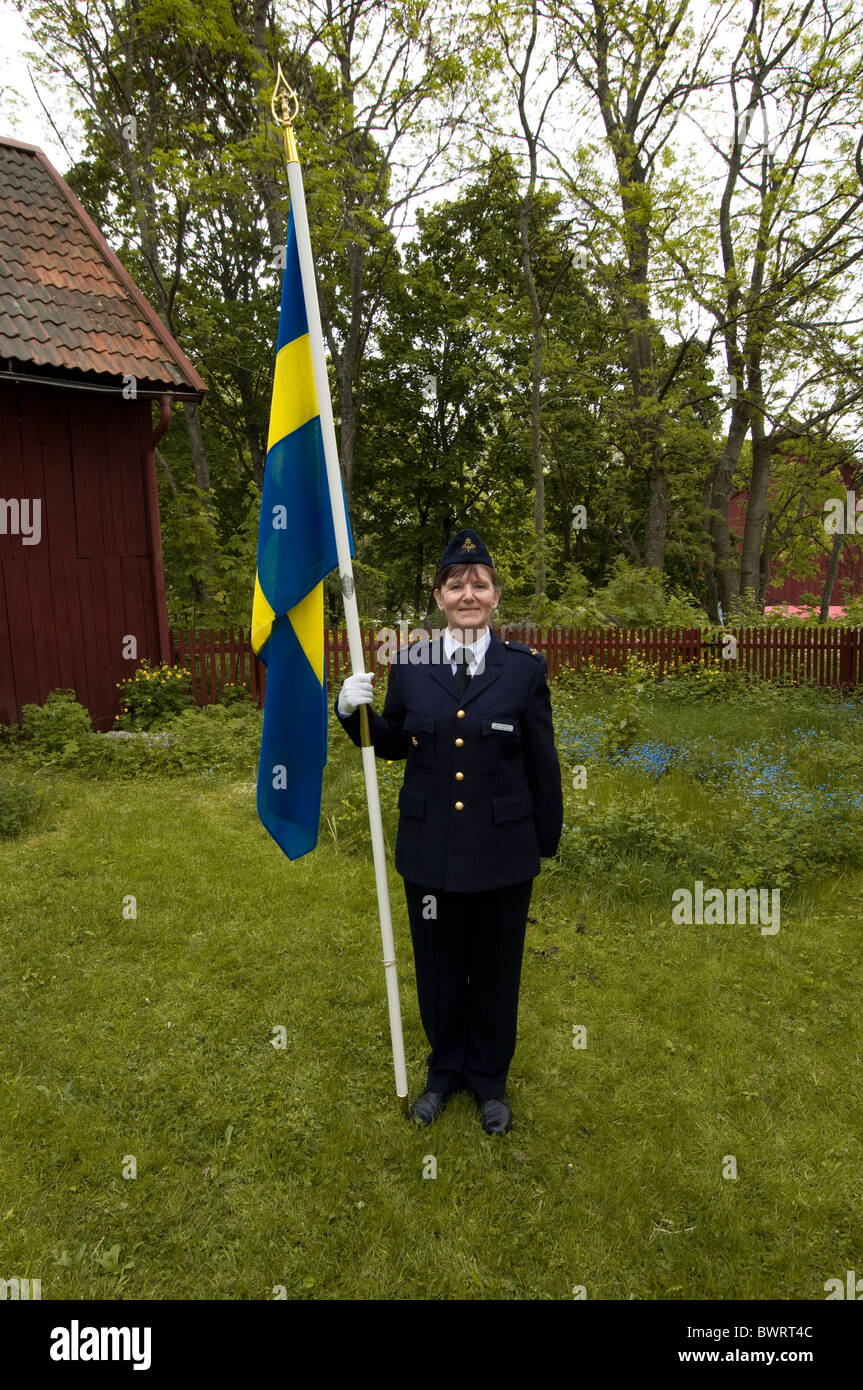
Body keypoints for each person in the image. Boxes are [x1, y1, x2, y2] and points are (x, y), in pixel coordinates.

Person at [336, 529, 563, 1134]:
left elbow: (542, 761)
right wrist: (354, 715)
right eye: (456, 584)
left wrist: (545, 838)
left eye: (479, 584)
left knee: (495, 967)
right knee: (438, 965)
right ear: (439, 596)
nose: (468, 593)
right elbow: (390, 746)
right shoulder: (410, 667)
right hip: (431, 847)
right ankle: (444, 1071)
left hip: (502, 852)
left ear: (494, 597)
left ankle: (489, 1079)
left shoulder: (524, 671)